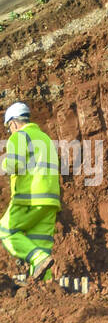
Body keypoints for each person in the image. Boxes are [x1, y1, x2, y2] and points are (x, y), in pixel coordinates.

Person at [0, 102, 60, 283]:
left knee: (6, 231)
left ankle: (37, 259)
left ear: (14, 123)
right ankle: (45, 287)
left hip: (30, 198)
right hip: (50, 201)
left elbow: (13, 164)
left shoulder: (19, 137)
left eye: (9, 127)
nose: (10, 131)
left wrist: (3, 164)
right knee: (40, 243)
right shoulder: (45, 138)